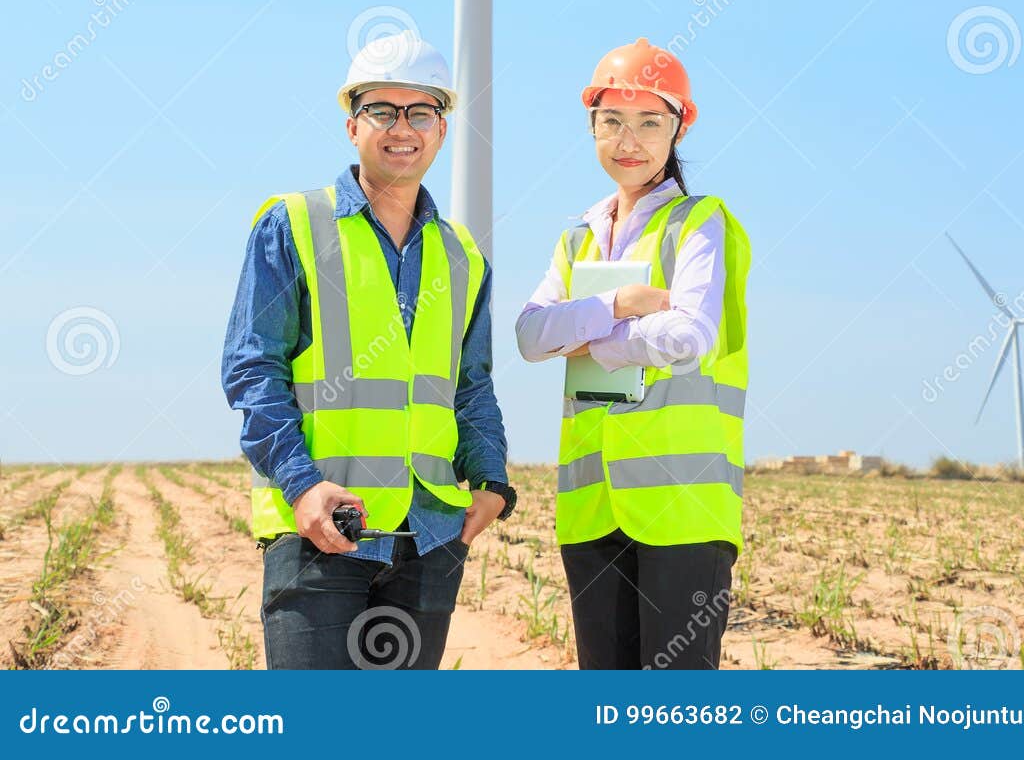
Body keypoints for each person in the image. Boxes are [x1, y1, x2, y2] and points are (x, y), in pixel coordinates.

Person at [222, 35, 517, 670]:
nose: (401, 128)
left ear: (441, 129)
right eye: (383, 110)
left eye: (421, 111)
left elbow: (470, 385)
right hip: (320, 533)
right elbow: (252, 371)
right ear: (353, 123)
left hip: (429, 536)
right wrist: (301, 488)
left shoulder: (463, 255)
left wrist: (491, 479)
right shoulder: (294, 224)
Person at [515, 37, 750, 670]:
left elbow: (688, 334)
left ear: (680, 128)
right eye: (612, 121)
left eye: (651, 122)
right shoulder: (576, 239)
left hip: (683, 507)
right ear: (591, 126)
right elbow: (530, 336)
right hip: (592, 508)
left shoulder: (701, 223)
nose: (630, 139)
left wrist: (588, 338)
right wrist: (616, 306)